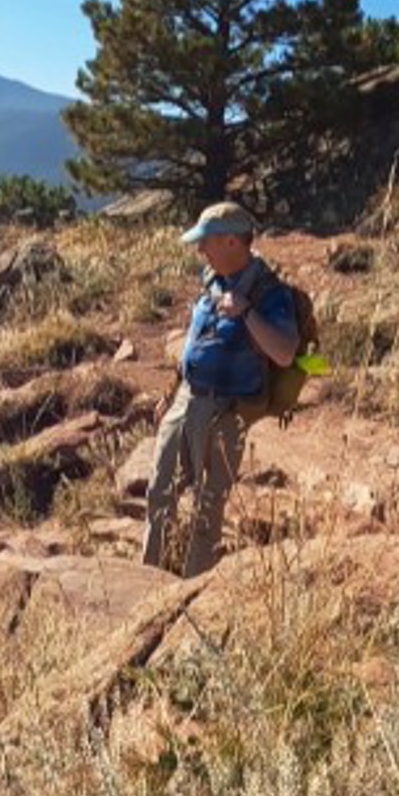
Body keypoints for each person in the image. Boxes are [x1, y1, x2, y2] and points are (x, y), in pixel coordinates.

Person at [142, 202, 300, 578]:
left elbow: (284, 352)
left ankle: (194, 590)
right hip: (188, 398)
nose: (200, 251)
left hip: (227, 411)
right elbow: (198, 337)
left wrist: (246, 313)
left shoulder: (269, 293)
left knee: (206, 509)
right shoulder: (212, 278)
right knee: (159, 492)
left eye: (206, 242)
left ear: (232, 241)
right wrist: (173, 390)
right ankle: (147, 578)